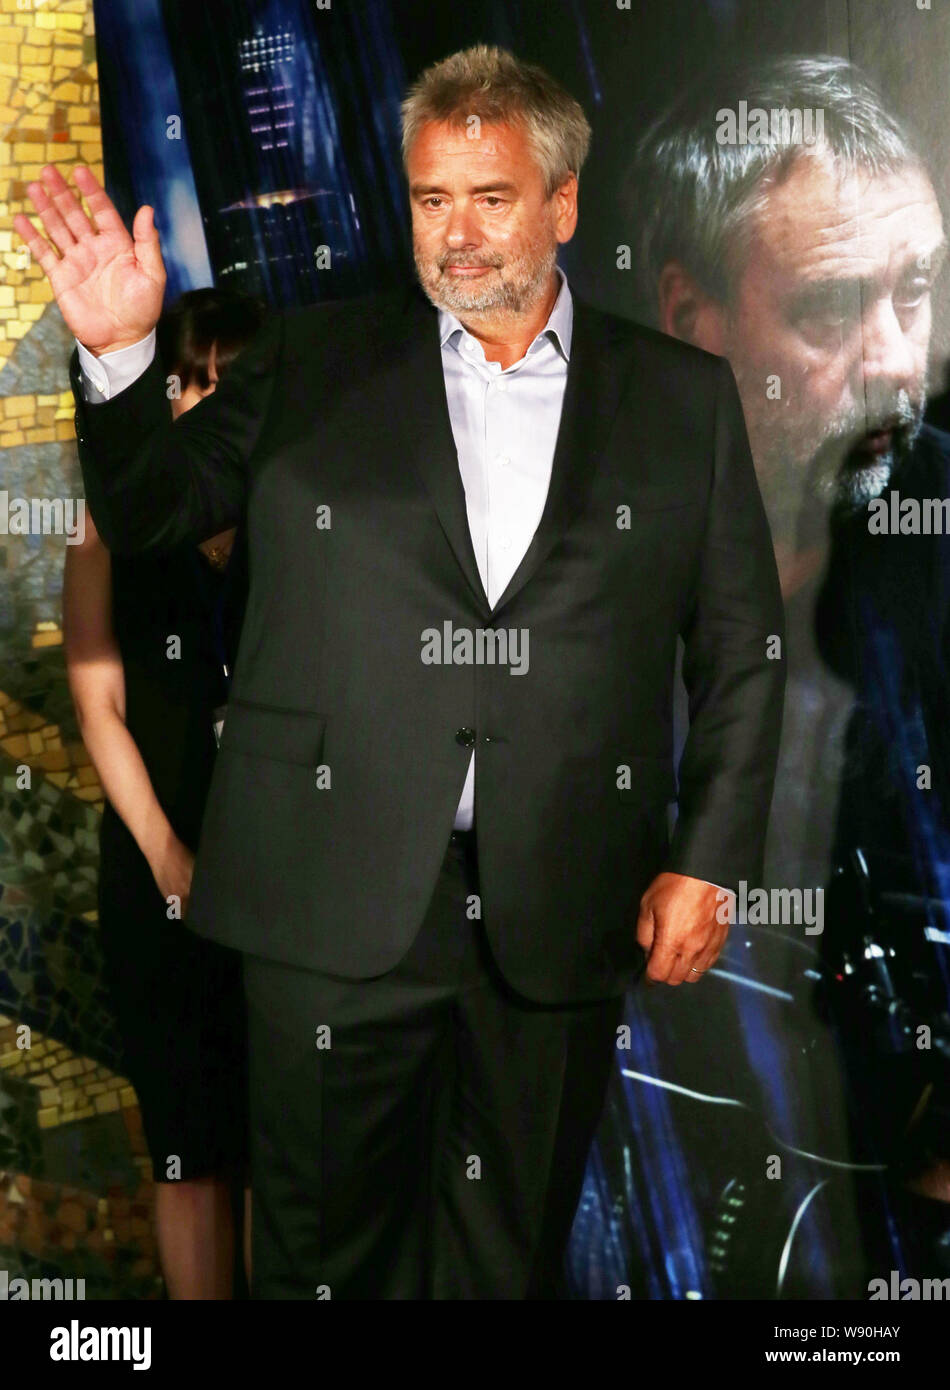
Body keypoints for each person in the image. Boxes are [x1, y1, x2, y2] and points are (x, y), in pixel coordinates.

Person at [17, 44, 784, 1299]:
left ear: (563, 203)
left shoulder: (678, 400)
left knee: (505, 1258)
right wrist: (119, 359)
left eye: (490, 197)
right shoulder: (309, 361)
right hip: (327, 902)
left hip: (558, 907)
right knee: (320, 1262)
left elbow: (742, 649)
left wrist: (706, 856)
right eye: (432, 199)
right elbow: (156, 510)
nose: (458, 233)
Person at [62, 288, 266, 1298]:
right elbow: (98, 703)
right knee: (188, 1156)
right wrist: (167, 856)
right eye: (193, 382)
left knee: (273, 1145)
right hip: (157, 868)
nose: (209, 401)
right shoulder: (110, 520)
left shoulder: (291, 515)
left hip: (279, 879)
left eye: (231, 384)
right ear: (166, 390)